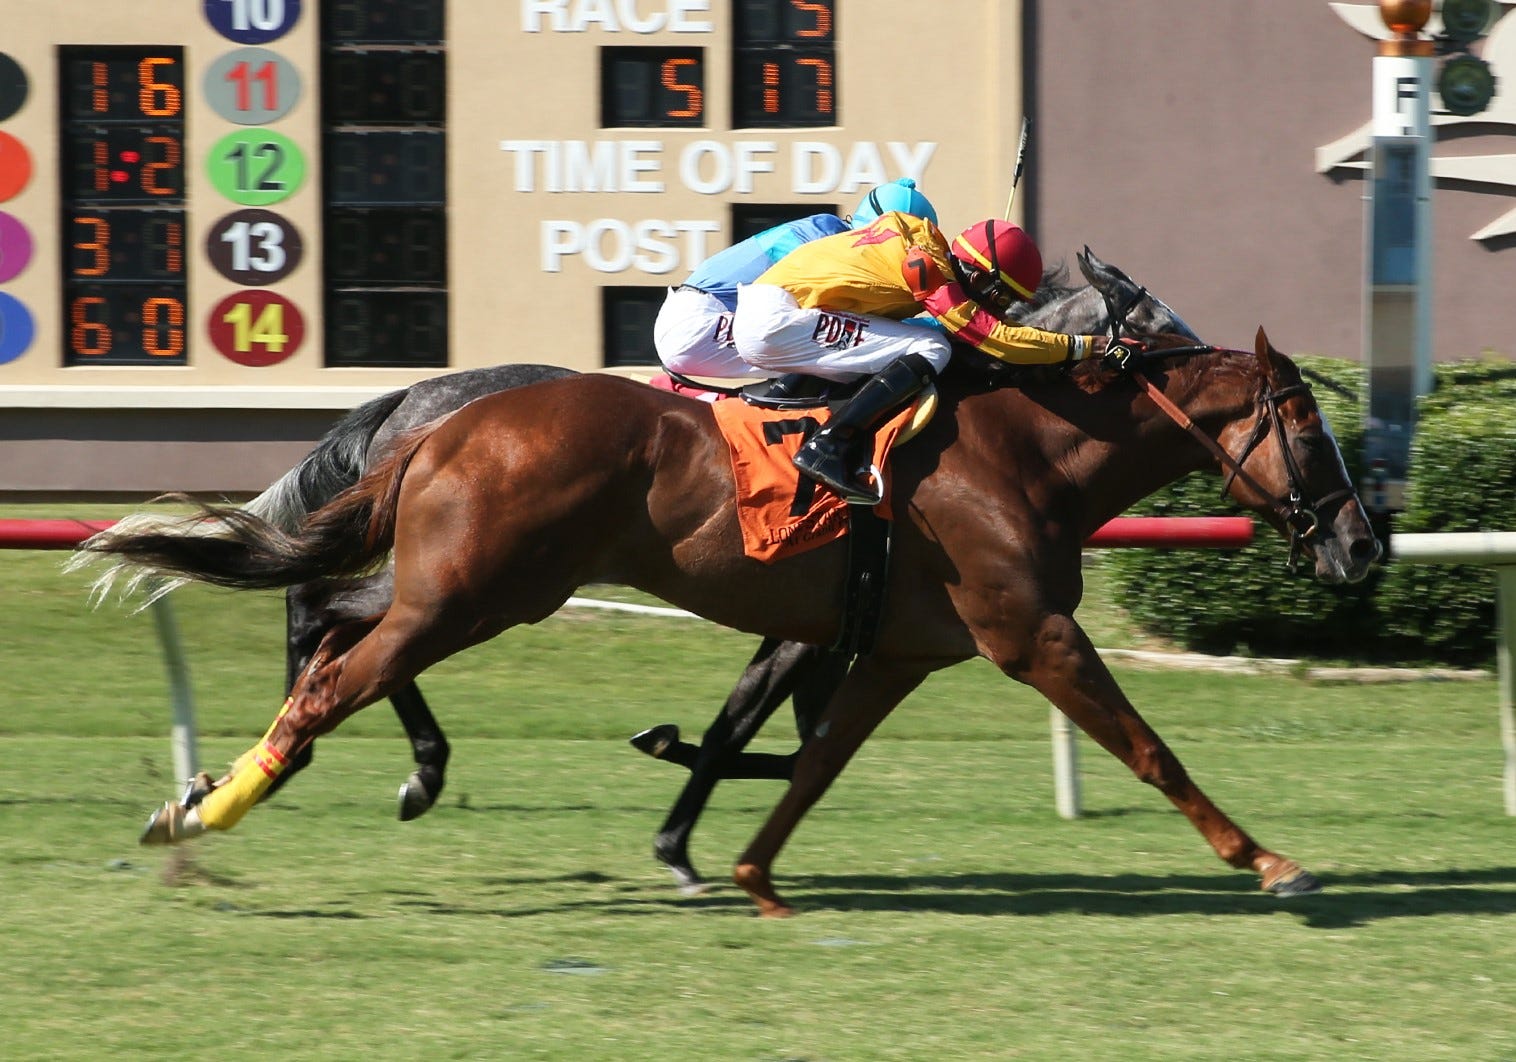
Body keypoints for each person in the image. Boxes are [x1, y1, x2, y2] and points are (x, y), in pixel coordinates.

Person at [731, 214, 1142, 503]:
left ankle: (785, 393)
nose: (998, 310)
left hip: (774, 311)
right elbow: (998, 340)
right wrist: (1087, 346)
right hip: (776, 322)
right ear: (979, 276)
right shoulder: (924, 266)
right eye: (1000, 299)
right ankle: (829, 447)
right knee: (933, 348)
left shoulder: (914, 235)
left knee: (893, 338)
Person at [653, 178, 938, 379]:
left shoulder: (824, 228)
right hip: (700, 324)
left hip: (692, 319)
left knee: (850, 354)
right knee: (856, 360)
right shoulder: (830, 236)